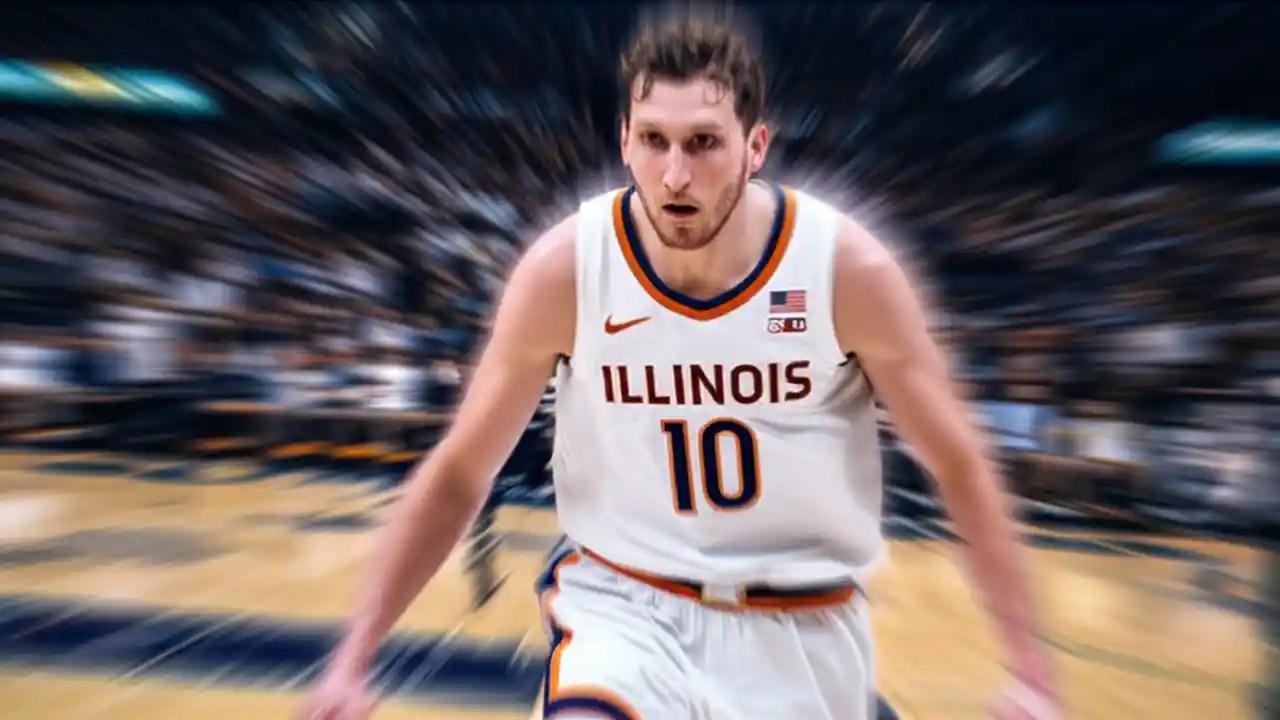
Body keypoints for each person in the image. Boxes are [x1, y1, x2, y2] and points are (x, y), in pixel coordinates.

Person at [299, 14, 1061, 720]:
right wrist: (352, 658)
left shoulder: (844, 270)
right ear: (624, 140)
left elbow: (958, 462)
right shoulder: (567, 269)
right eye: (655, 141)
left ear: (755, 147)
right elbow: (464, 470)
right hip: (625, 610)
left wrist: (1030, 670)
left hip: (801, 627)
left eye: (703, 143)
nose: (673, 175)